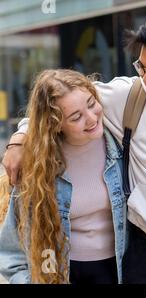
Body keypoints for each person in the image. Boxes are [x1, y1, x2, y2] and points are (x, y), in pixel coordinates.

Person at [2, 11, 146, 284]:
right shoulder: (130, 95)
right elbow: (58, 101)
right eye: (141, 67)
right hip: (144, 253)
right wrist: (19, 141)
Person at [0, 69, 126, 284]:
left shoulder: (119, 141)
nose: (91, 118)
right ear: (56, 124)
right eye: (76, 117)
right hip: (61, 273)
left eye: (91, 103)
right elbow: (10, 252)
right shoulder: (39, 165)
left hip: (119, 270)